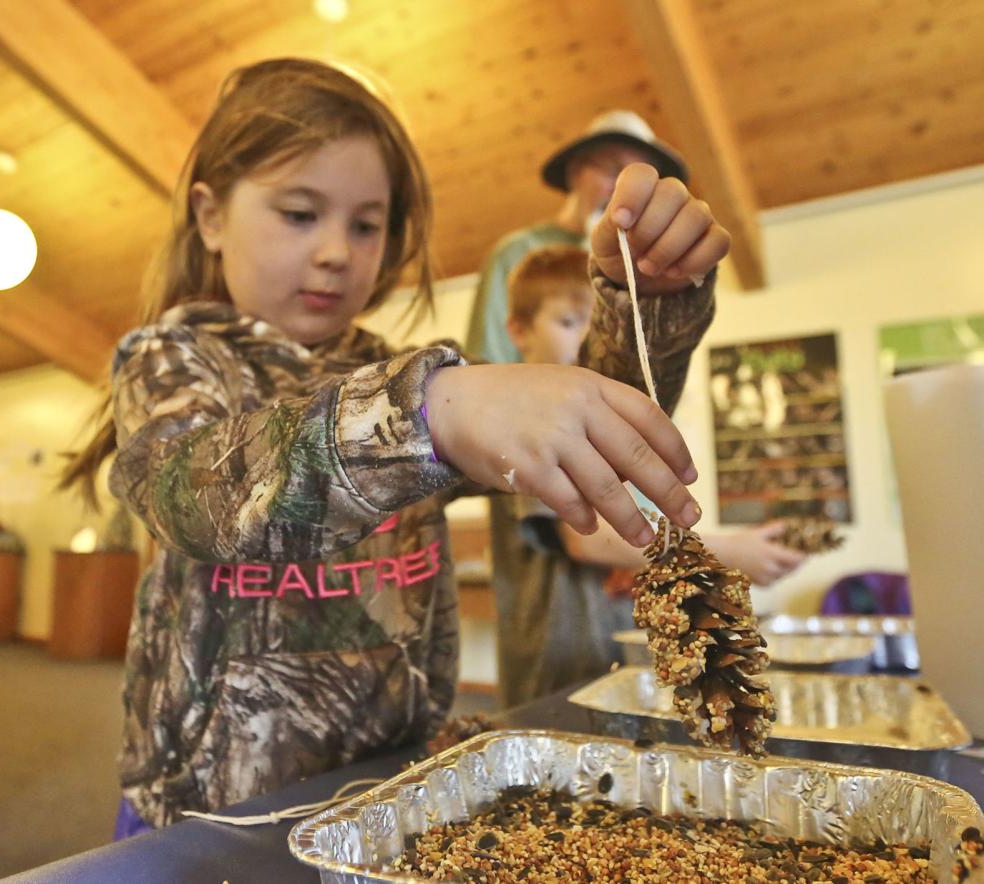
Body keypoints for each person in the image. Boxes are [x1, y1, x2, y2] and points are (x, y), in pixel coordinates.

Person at [60, 58, 728, 834]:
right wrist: (425, 414)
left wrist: (649, 307)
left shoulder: (398, 373)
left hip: (389, 788)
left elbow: (576, 426)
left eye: (366, 224)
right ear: (210, 216)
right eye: (300, 214)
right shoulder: (170, 361)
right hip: (208, 814)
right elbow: (200, 497)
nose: (338, 251)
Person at [491, 246, 806, 706]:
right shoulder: (519, 416)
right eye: (568, 321)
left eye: (596, 323)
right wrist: (728, 551)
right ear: (519, 330)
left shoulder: (597, 418)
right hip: (556, 665)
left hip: (617, 650)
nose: (587, 340)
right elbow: (583, 540)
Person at [466, 110, 688, 364]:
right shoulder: (516, 253)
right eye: (613, 169)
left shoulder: (644, 268)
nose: (624, 189)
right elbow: (485, 360)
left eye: (643, 181)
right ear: (575, 173)